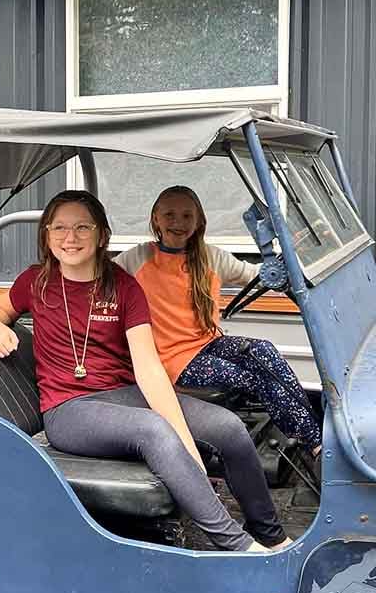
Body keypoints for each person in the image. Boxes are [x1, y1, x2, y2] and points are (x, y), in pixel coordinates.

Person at [0, 190, 291, 553]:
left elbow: (148, 367)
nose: (70, 238)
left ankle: (270, 534)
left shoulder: (124, 286)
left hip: (124, 394)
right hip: (69, 409)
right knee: (154, 429)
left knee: (229, 427)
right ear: (46, 235)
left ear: (101, 234)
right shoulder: (34, 281)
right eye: (59, 228)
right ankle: (240, 548)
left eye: (83, 227)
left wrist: (188, 441)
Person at [114, 185, 322, 476]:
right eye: (169, 214)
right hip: (171, 360)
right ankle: (313, 444)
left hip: (208, 344)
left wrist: (289, 263)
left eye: (187, 215)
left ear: (199, 221)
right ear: (155, 220)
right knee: (252, 379)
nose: (178, 222)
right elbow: (97, 282)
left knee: (264, 350)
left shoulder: (211, 257)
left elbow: (256, 275)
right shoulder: (135, 260)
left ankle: (316, 437)